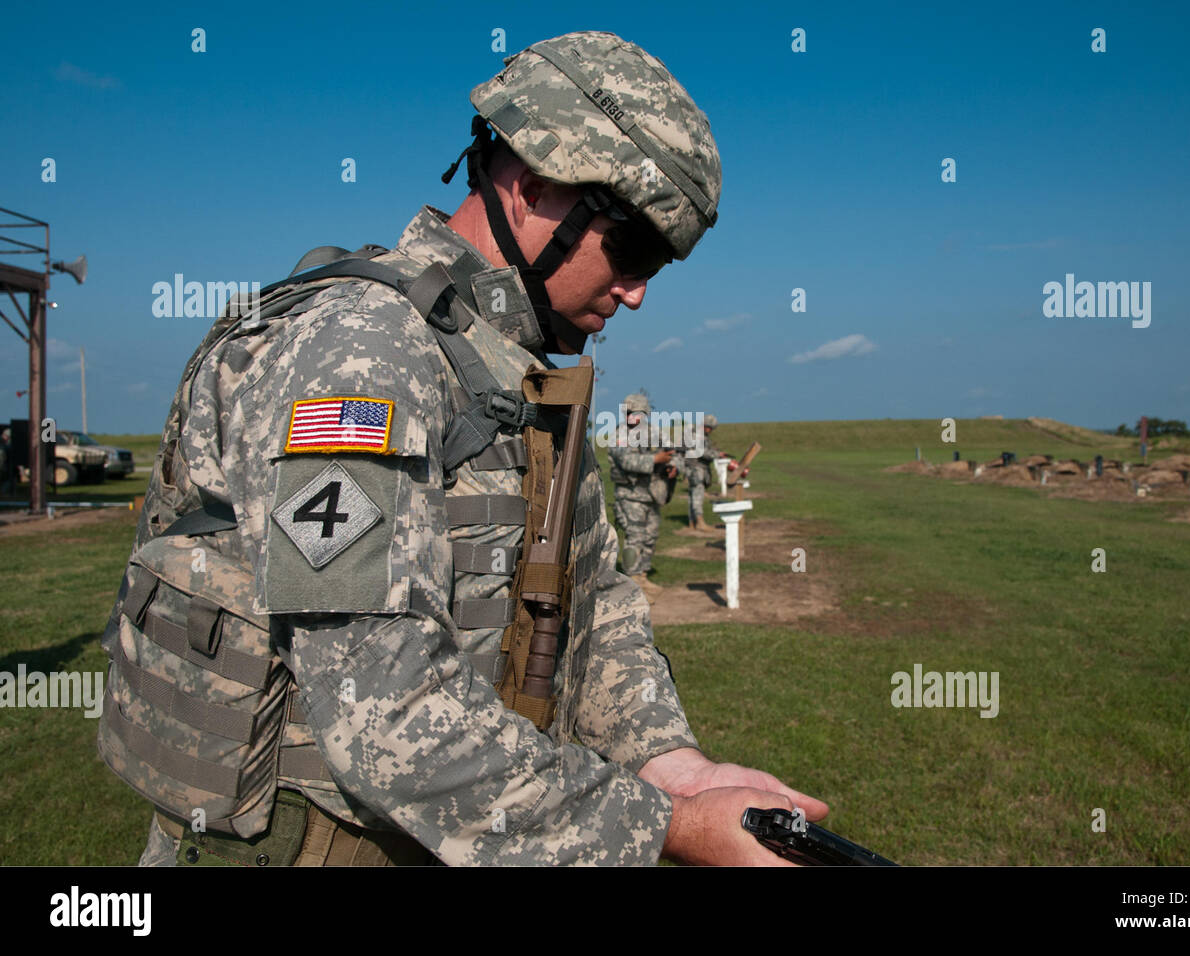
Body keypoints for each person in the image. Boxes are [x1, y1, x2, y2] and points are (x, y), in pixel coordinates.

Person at [99, 30, 825, 867]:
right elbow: (384, 709)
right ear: (532, 188)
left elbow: (597, 604)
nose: (636, 291)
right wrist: (668, 828)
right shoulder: (358, 353)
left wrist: (676, 767)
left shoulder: (518, 376)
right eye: (634, 249)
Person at [608, 393, 681, 600]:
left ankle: (642, 576)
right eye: (631, 413)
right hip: (629, 496)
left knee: (650, 536)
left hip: (651, 493)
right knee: (635, 538)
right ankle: (631, 584)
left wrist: (672, 466)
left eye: (639, 414)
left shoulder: (653, 433)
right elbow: (627, 462)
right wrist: (656, 458)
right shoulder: (619, 435)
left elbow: (672, 453)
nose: (635, 418)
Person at [683, 413, 721, 531]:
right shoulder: (697, 435)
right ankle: (700, 522)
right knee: (697, 495)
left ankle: (692, 523)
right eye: (709, 427)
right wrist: (717, 454)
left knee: (693, 495)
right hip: (696, 468)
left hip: (693, 468)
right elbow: (702, 452)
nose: (710, 430)